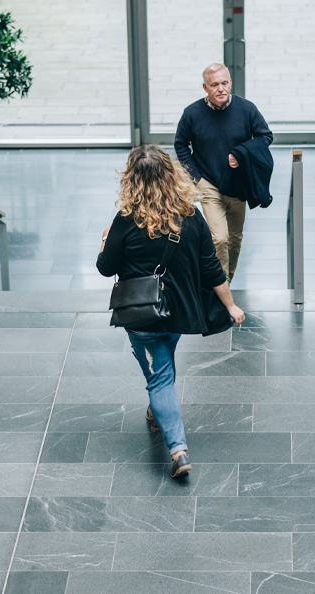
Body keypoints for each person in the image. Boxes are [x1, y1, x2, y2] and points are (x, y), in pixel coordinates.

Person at [97, 145, 246, 479]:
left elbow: (105, 269)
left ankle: (178, 450)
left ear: (132, 178)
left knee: (159, 376)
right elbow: (212, 269)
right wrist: (231, 305)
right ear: (171, 173)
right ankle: (156, 410)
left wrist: (107, 242)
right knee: (162, 365)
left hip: (139, 315)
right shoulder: (191, 215)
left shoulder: (125, 219)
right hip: (177, 312)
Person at [174, 63, 273, 283]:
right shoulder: (192, 113)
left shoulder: (246, 109)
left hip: (237, 184)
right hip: (208, 184)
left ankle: (225, 282)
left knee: (235, 239)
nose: (221, 88)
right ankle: (220, 288)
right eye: (215, 84)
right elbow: (181, 145)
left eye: (224, 83)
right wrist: (196, 178)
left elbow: (265, 136)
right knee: (219, 239)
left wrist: (242, 154)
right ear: (205, 87)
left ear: (230, 83)